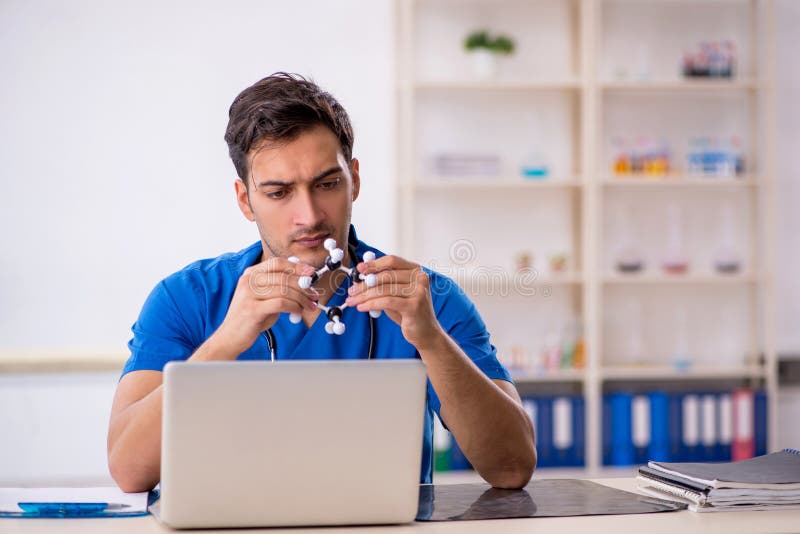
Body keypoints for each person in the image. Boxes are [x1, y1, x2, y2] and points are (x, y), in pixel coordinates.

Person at [107, 72, 536, 493]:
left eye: (327, 184)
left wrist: (432, 341)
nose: (310, 216)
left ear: (355, 181)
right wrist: (225, 341)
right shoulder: (186, 299)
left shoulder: (425, 298)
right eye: (278, 193)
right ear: (245, 200)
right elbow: (129, 471)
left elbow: (511, 468)